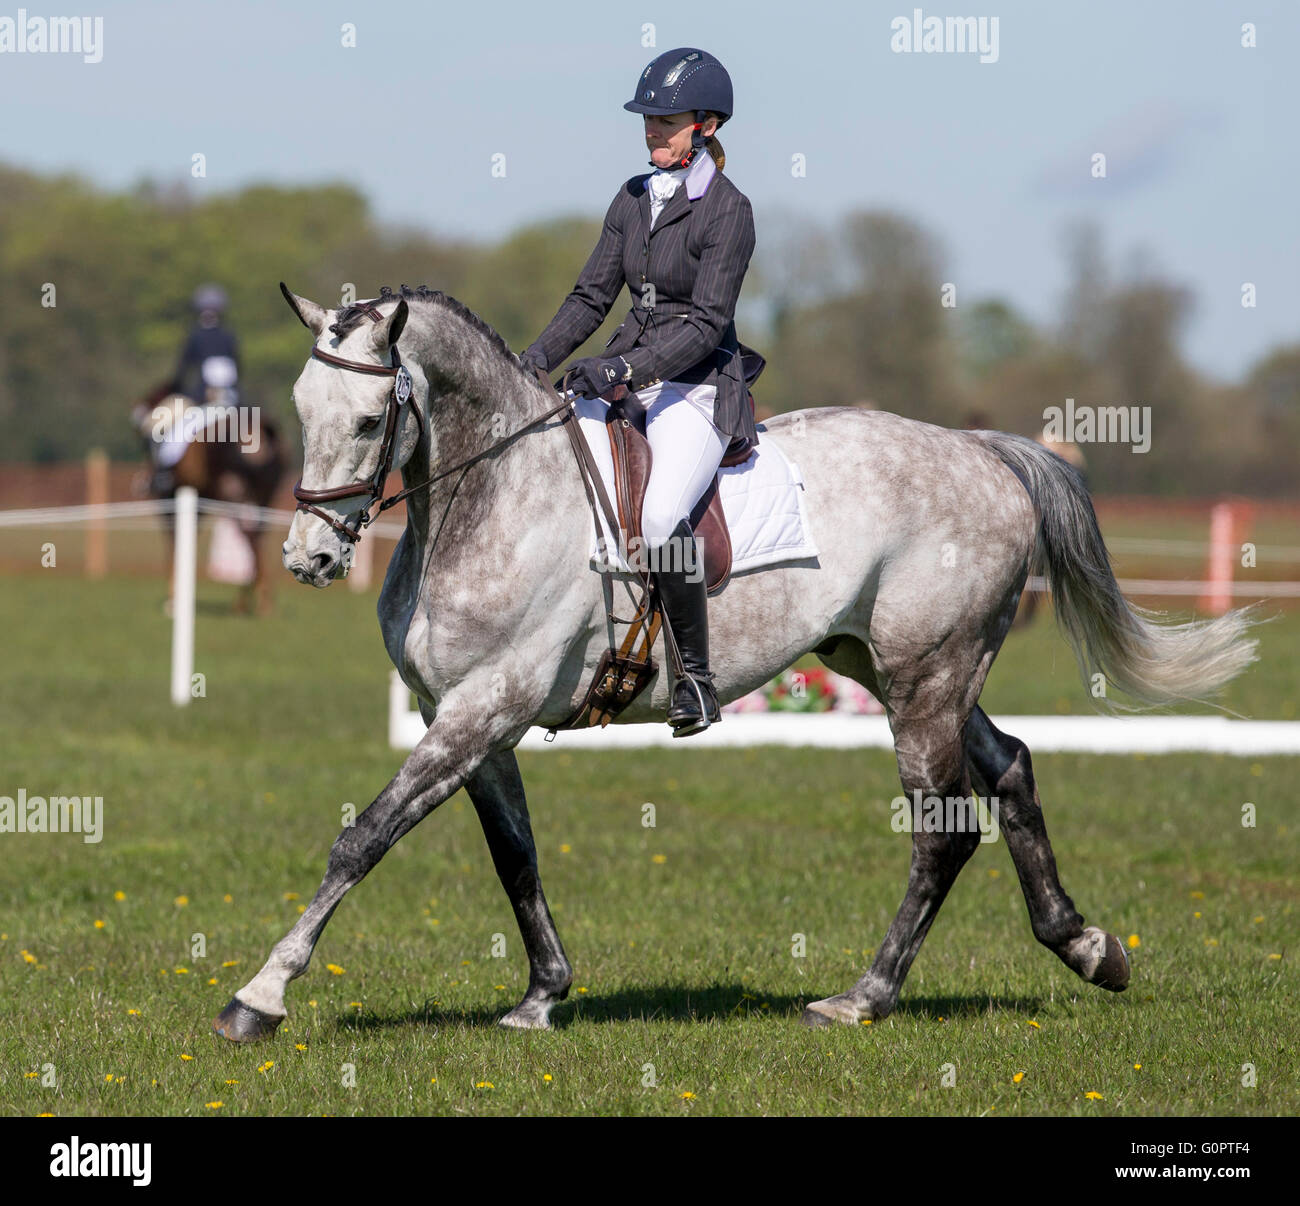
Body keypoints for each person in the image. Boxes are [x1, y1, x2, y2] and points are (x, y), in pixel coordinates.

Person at [520, 47, 763, 737]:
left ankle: (697, 678)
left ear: (707, 125)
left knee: (659, 520)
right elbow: (592, 294)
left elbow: (708, 322)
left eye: (668, 120)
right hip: (630, 373)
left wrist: (624, 371)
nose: (654, 130)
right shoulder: (631, 199)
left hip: (697, 387)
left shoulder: (729, 211)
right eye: (648, 120)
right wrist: (531, 359)